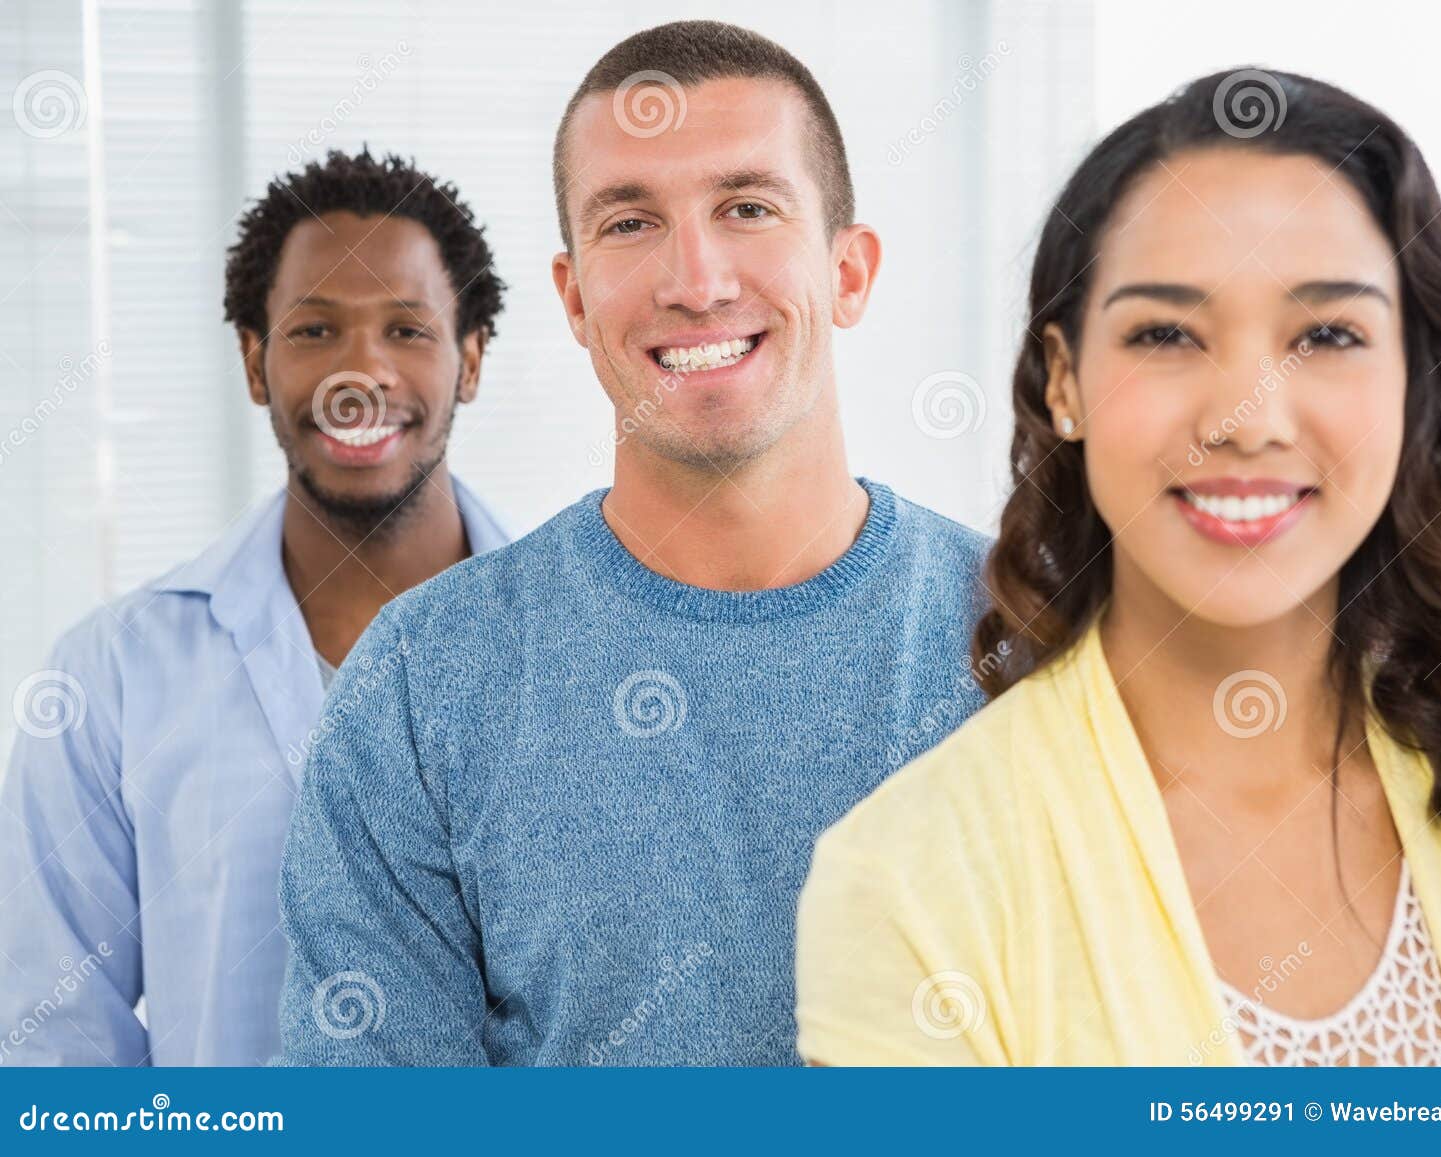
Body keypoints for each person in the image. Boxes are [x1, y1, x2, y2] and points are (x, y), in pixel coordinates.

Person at [796, 69, 1441, 1066]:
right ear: (1064, 379)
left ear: (1413, 383)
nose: (1246, 418)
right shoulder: (907, 882)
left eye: (1327, 334)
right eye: (1167, 334)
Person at [274, 20, 990, 1067]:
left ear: (849, 271)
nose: (694, 280)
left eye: (747, 207)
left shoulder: (1036, 642)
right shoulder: (421, 685)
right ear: (573, 298)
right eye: (630, 222)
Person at [0, 149, 511, 1065]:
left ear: (469, 358)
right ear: (253, 360)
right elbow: (56, 1048)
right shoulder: (113, 675)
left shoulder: (584, 649)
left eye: (407, 329)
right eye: (315, 330)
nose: (360, 372)